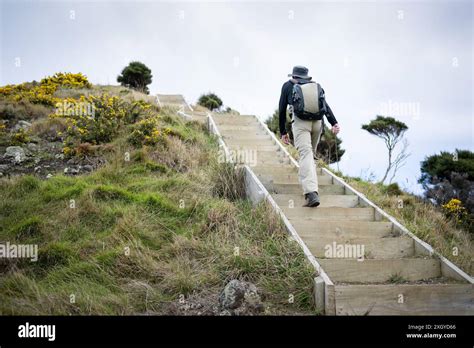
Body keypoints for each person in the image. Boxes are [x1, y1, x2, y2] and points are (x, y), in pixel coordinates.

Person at [278, 66, 340, 207]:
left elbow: (281, 110)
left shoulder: (288, 86)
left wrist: (283, 132)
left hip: (301, 124)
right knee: (309, 154)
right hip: (318, 124)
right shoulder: (314, 86)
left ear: (293, 76)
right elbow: (325, 105)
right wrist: (334, 122)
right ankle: (309, 178)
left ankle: (311, 193)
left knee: (305, 154)